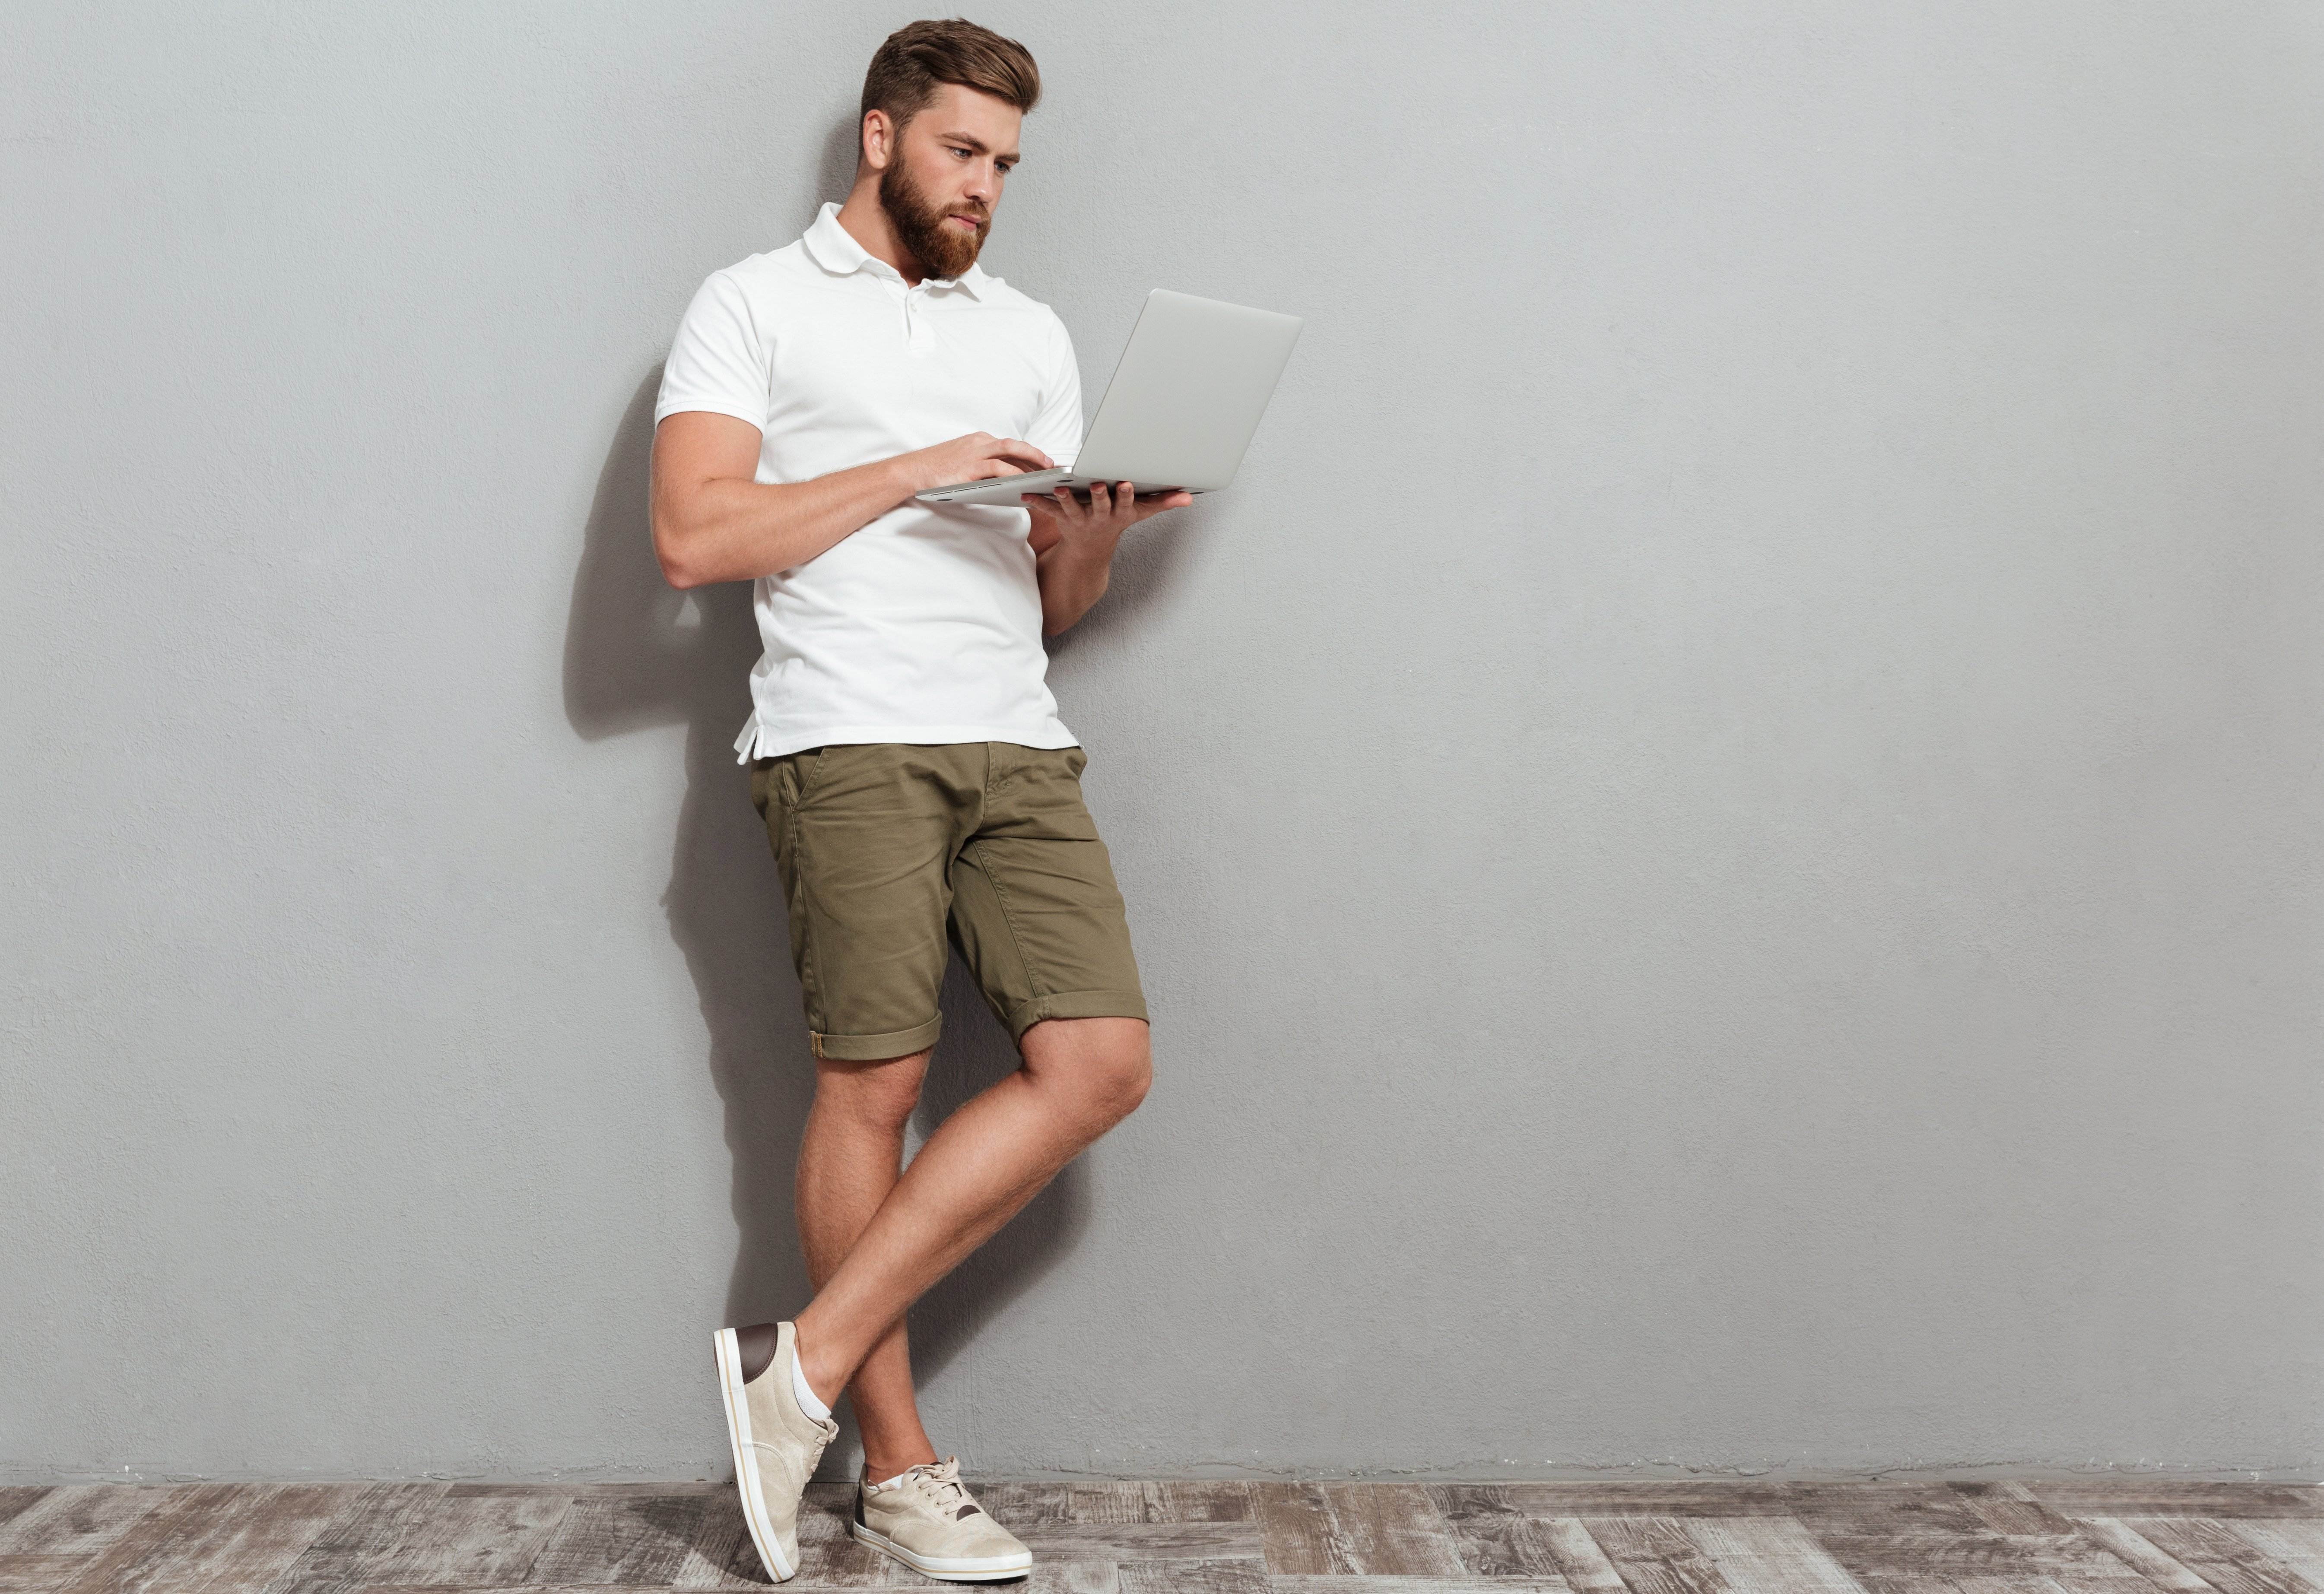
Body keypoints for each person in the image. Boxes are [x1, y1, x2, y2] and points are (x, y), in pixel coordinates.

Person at [648, 18, 1187, 1585]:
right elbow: (692, 537)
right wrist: (909, 467)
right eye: (964, 153)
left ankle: (793, 1371)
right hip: (843, 739)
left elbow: (1053, 601)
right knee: (868, 1092)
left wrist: (1096, 526)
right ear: (880, 138)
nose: (986, 190)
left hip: (1013, 737)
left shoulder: (1027, 330)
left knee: (1098, 1060)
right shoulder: (749, 303)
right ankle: (898, 1468)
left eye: (1008, 165)